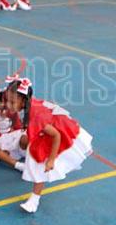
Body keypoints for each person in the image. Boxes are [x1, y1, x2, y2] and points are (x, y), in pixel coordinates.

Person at [5, 77, 93, 213]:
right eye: (8, 101)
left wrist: (51, 160)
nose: (9, 105)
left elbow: (56, 135)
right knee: (34, 158)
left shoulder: (36, 116)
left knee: (38, 163)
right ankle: (33, 196)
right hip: (47, 131)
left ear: (23, 100)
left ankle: (34, 201)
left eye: (12, 102)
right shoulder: (29, 105)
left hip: (58, 133)